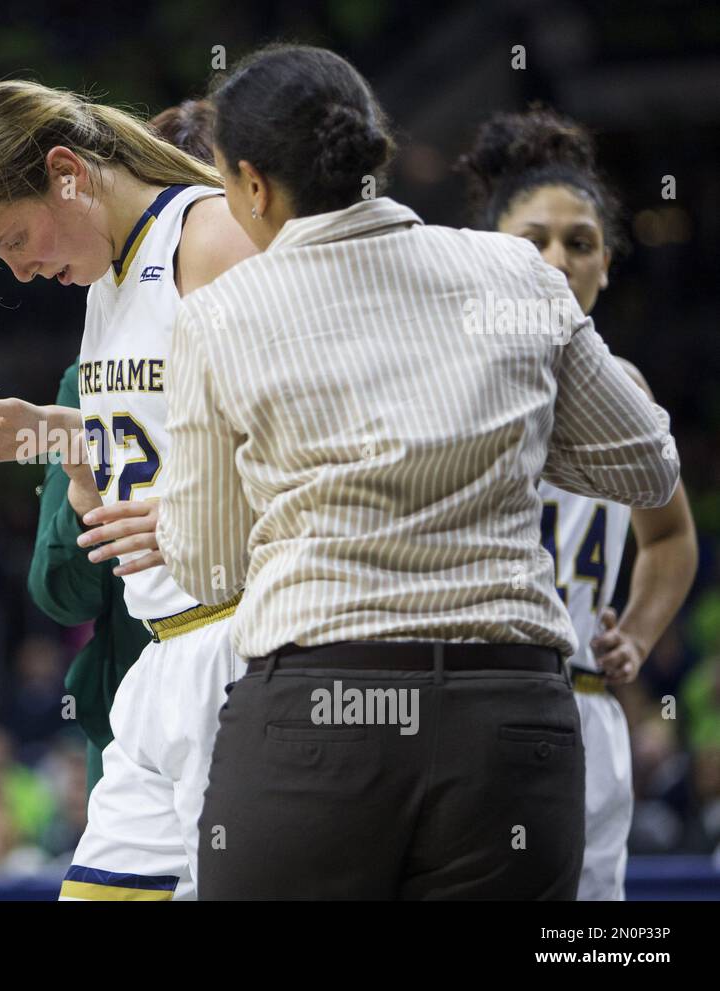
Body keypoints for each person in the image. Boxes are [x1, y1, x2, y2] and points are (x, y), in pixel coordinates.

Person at [153, 43, 680, 899]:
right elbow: (648, 465)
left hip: (319, 717)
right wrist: (505, 435)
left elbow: (210, 565)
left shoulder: (219, 315)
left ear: (251, 184)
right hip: (510, 725)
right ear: (374, 150)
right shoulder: (514, 272)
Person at [0, 81, 257, 900]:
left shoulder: (206, 237)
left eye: (15, 240)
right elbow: (136, 487)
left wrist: (199, 513)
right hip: (164, 657)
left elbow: (316, 447)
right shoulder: (106, 281)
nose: (23, 271)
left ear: (66, 172)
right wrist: (53, 431)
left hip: (250, 647)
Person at [459, 107, 698, 899]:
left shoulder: (626, 388)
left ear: (605, 265)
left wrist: (636, 633)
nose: (557, 260)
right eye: (533, 241)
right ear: (492, 254)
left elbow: (670, 538)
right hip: (469, 698)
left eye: (580, 243)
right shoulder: (447, 368)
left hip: (588, 707)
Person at [27, 100, 218, 803]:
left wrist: (200, 513)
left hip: (251, 677)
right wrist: (80, 478)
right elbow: (61, 592)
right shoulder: (91, 367)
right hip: (138, 710)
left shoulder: (252, 323)